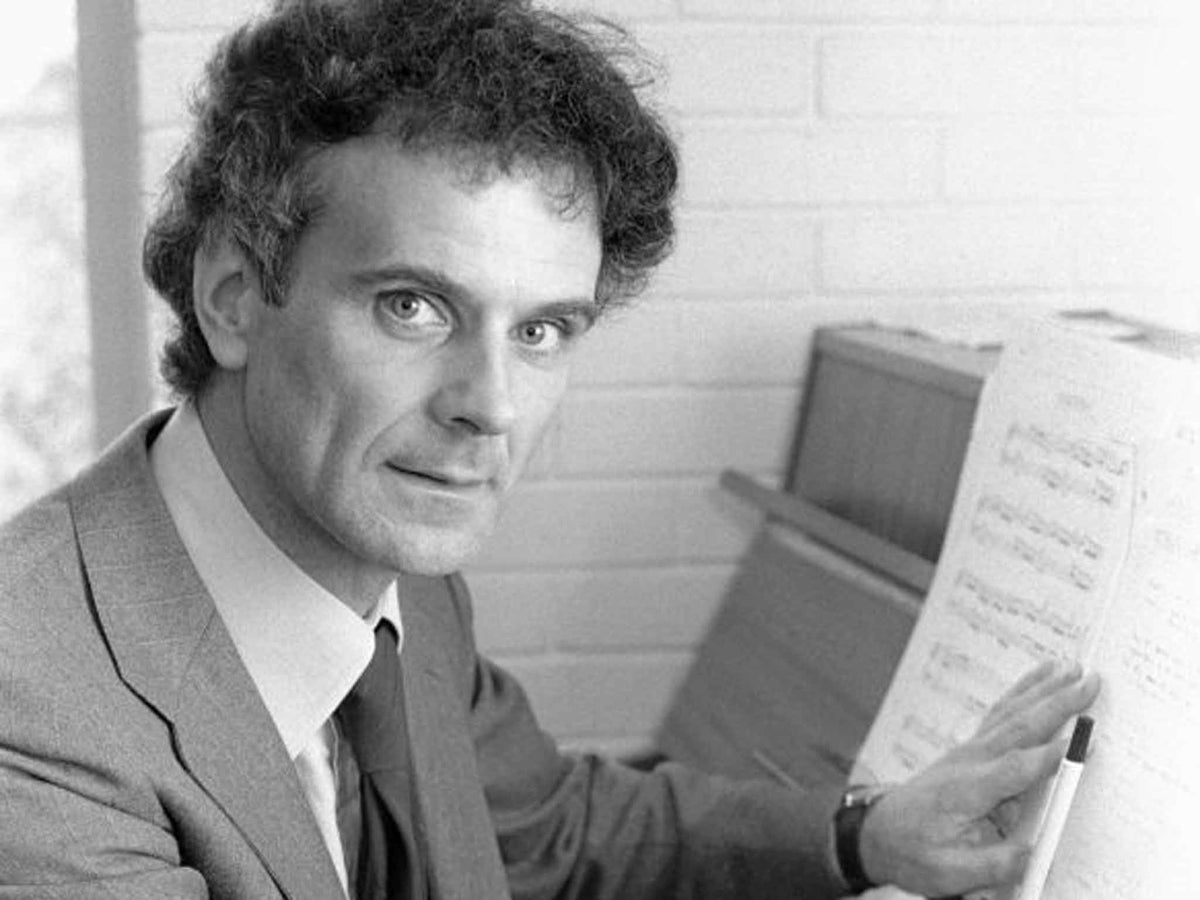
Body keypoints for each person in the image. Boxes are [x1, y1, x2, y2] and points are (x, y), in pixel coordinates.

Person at [0, 1, 1098, 898]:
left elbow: (545, 829)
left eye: (541, 331)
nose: (490, 407)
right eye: (413, 307)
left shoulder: (393, 569)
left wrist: (866, 838)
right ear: (234, 296)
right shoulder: (32, 712)